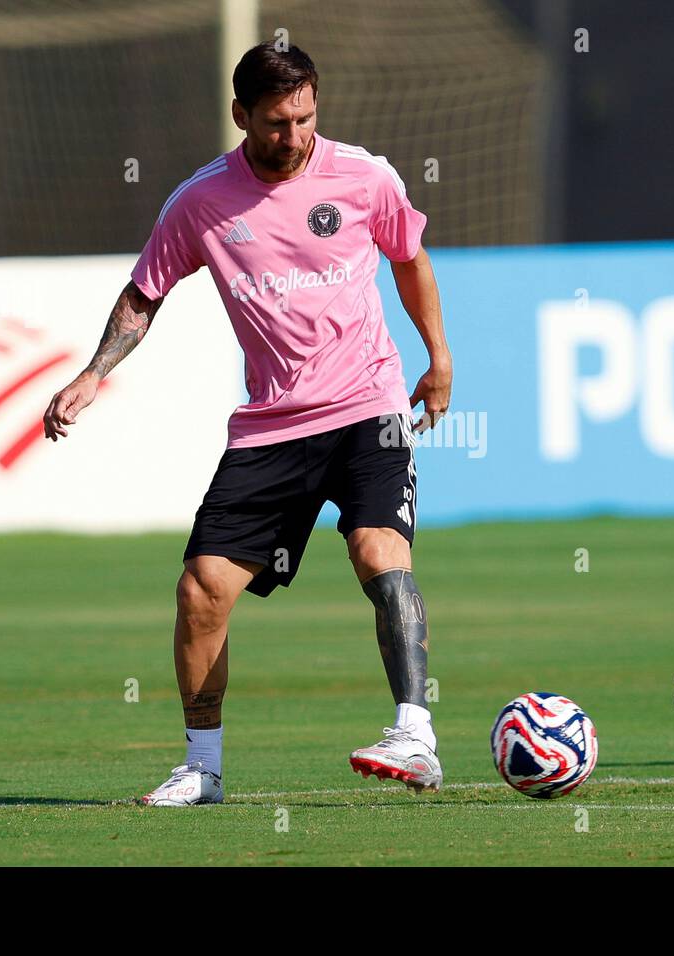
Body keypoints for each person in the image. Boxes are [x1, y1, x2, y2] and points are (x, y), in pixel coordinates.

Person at [43, 41, 452, 805]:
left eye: (304, 118)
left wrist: (438, 358)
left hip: (369, 405)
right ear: (241, 115)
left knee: (377, 549)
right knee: (201, 588)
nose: (292, 136)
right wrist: (95, 372)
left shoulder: (366, 175)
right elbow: (144, 294)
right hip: (273, 425)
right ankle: (202, 768)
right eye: (274, 122)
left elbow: (410, 256)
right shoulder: (201, 202)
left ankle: (414, 735)